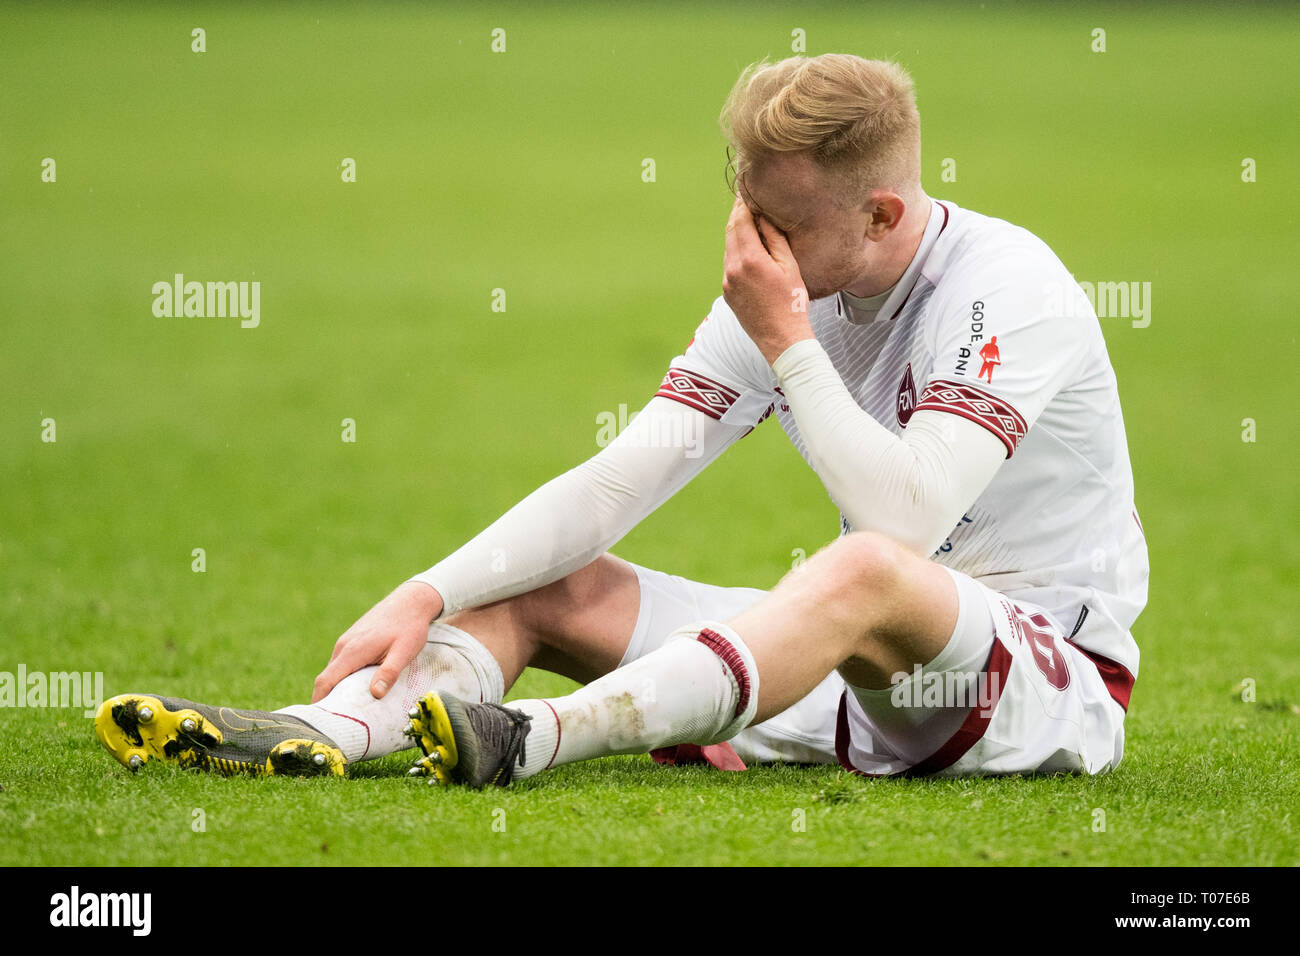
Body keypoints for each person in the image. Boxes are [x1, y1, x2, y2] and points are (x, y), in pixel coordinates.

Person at [95, 54, 1147, 788]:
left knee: (858, 571)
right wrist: (431, 588)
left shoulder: (1006, 285)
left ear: (880, 213)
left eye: (774, 221)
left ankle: (537, 738)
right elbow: (616, 482)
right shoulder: (785, 283)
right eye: (739, 204)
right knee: (546, 586)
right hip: (849, 684)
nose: (742, 243)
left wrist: (787, 341)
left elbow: (901, 527)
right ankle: (319, 731)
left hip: (1040, 685)